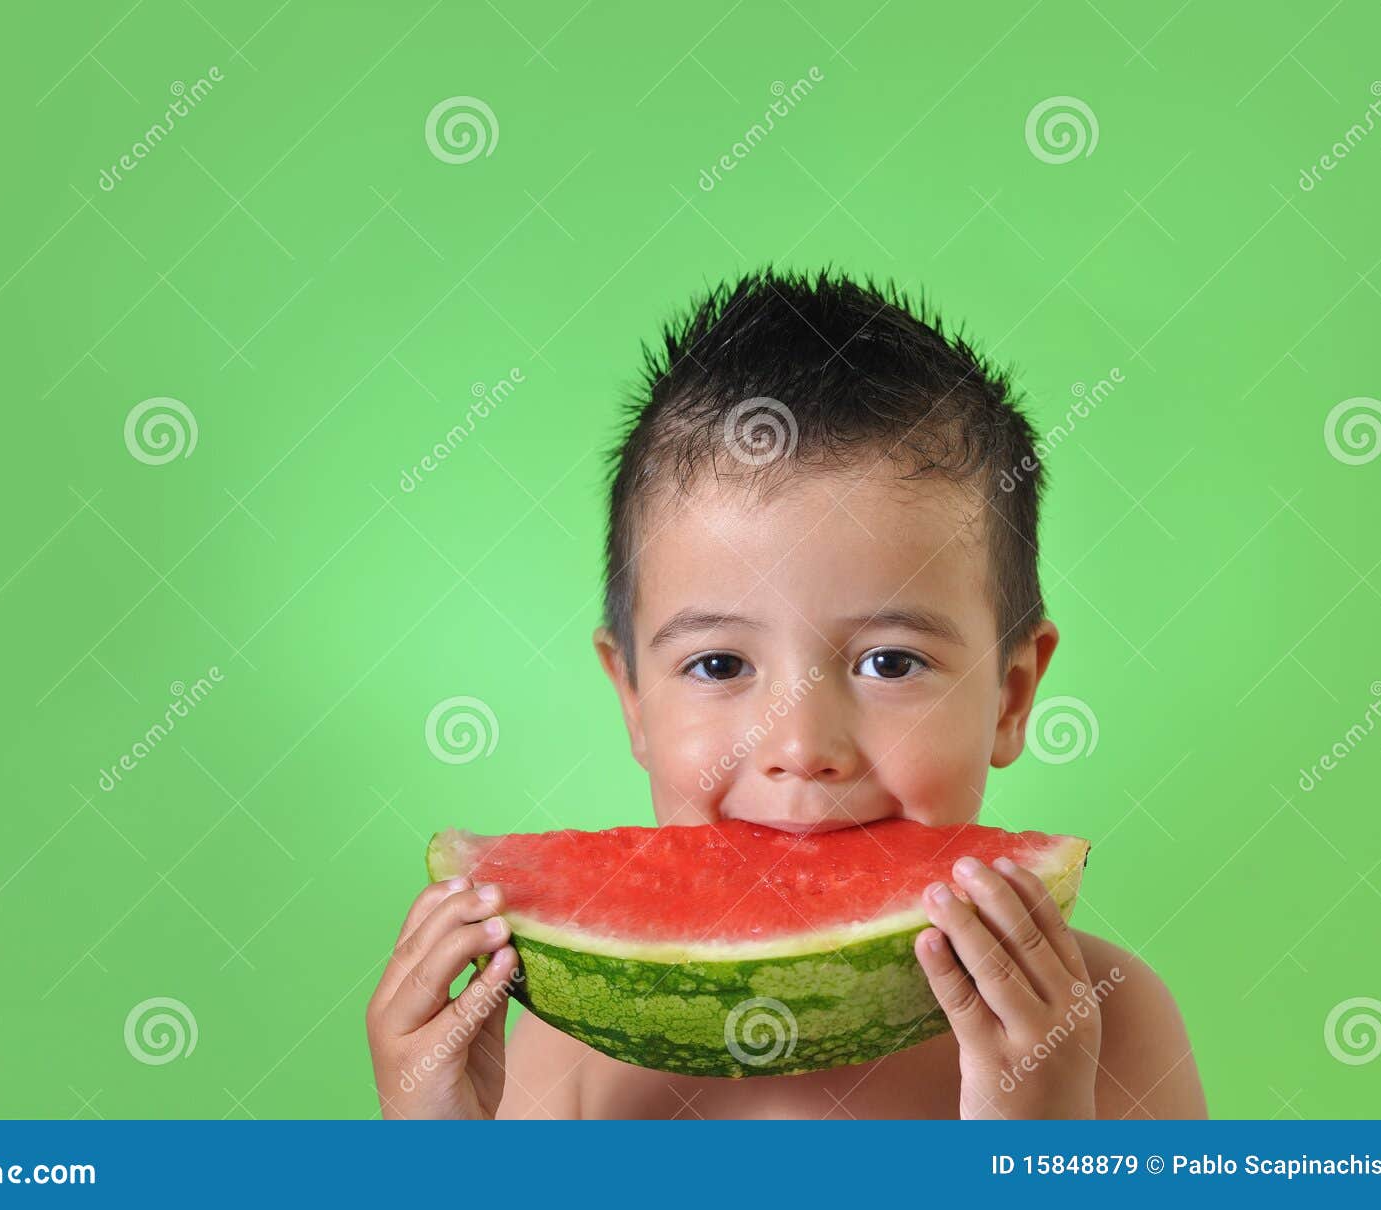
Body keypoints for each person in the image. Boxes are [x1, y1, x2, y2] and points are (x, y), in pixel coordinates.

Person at [366, 268, 1207, 1120]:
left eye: (889, 663)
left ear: (1011, 696)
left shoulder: (1102, 1020)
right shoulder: (568, 1052)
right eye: (721, 667)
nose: (802, 746)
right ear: (632, 701)